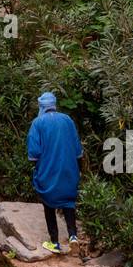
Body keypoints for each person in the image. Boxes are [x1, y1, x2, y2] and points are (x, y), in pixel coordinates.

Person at [27, 91, 82, 254]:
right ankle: (73, 236)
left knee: (48, 202)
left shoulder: (37, 123)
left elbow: (34, 154)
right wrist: (79, 170)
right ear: (54, 104)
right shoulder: (67, 120)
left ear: (41, 106)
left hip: (48, 169)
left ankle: (55, 243)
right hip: (69, 169)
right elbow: (78, 149)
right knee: (68, 201)